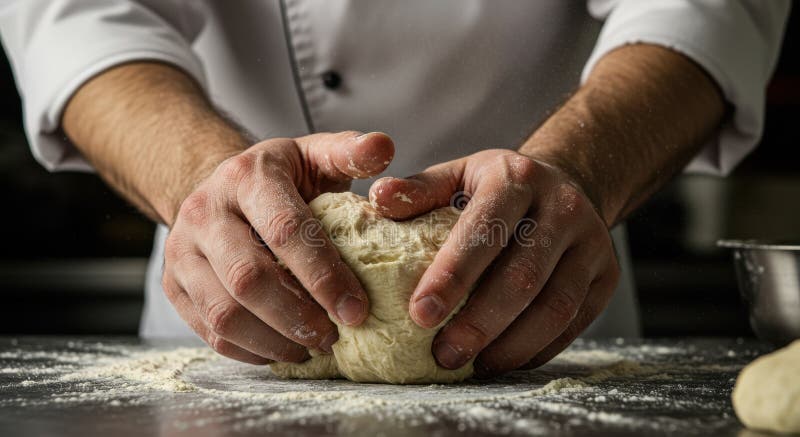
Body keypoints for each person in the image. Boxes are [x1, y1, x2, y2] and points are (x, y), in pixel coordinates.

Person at [0, 1, 789, 377]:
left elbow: (708, 8)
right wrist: (203, 177)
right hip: (233, 314)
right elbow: (76, 15)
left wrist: (582, 168)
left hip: (543, 304)